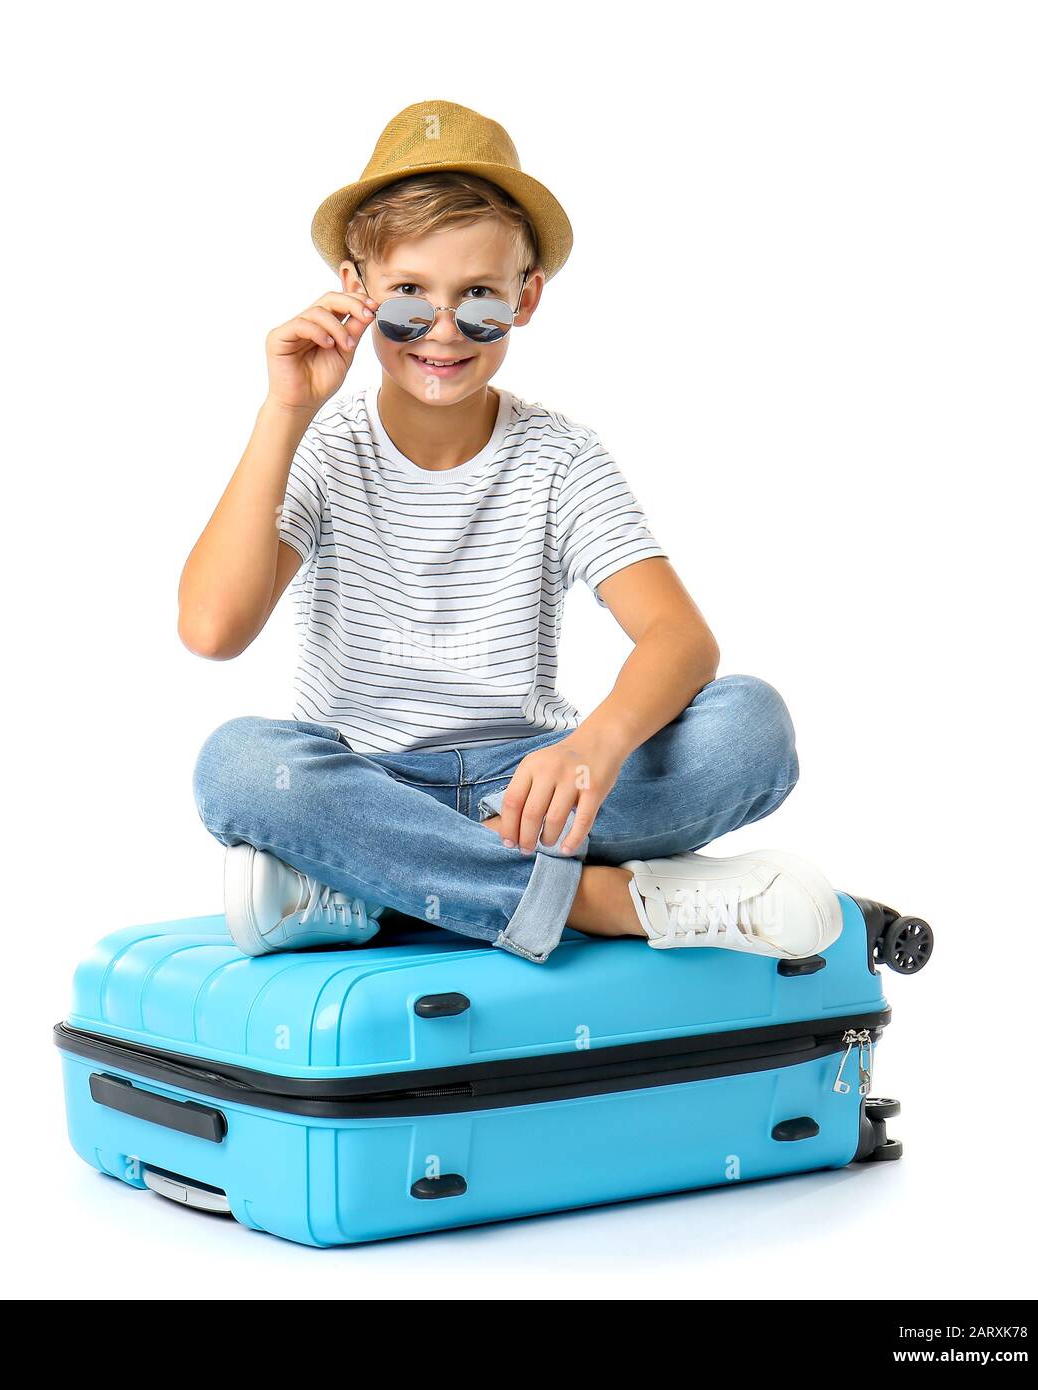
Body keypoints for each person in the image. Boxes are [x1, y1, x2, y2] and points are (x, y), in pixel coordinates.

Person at [178, 101, 841, 964]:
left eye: (478, 297)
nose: (444, 331)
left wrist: (592, 749)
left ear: (525, 296)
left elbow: (680, 640)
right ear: (356, 291)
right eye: (409, 295)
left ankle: (377, 887)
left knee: (751, 726)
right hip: (364, 781)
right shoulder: (320, 448)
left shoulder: (559, 455)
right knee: (237, 766)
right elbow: (211, 628)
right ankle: (596, 902)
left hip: (534, 783)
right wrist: (285, 410)